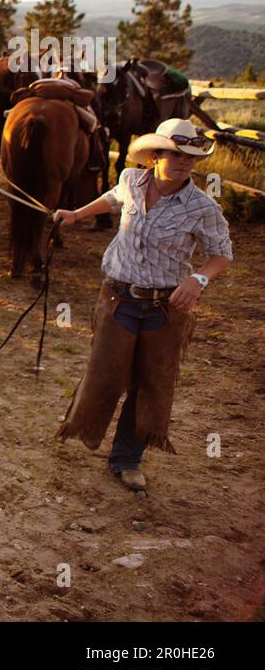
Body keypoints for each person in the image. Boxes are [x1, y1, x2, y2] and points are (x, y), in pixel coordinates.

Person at [52, 118, 232, 492]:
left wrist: (197, 280)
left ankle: (127, 458)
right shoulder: (132, 180)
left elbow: (221, 255)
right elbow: (112, 200)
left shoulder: (202, 206)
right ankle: (86, 429)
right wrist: (76, 214)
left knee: (150, 382)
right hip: (118, 297)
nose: (185, 163)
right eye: (176, 155)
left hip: (164, 307)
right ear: (155, 156)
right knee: (107, 371)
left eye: (192, 158)